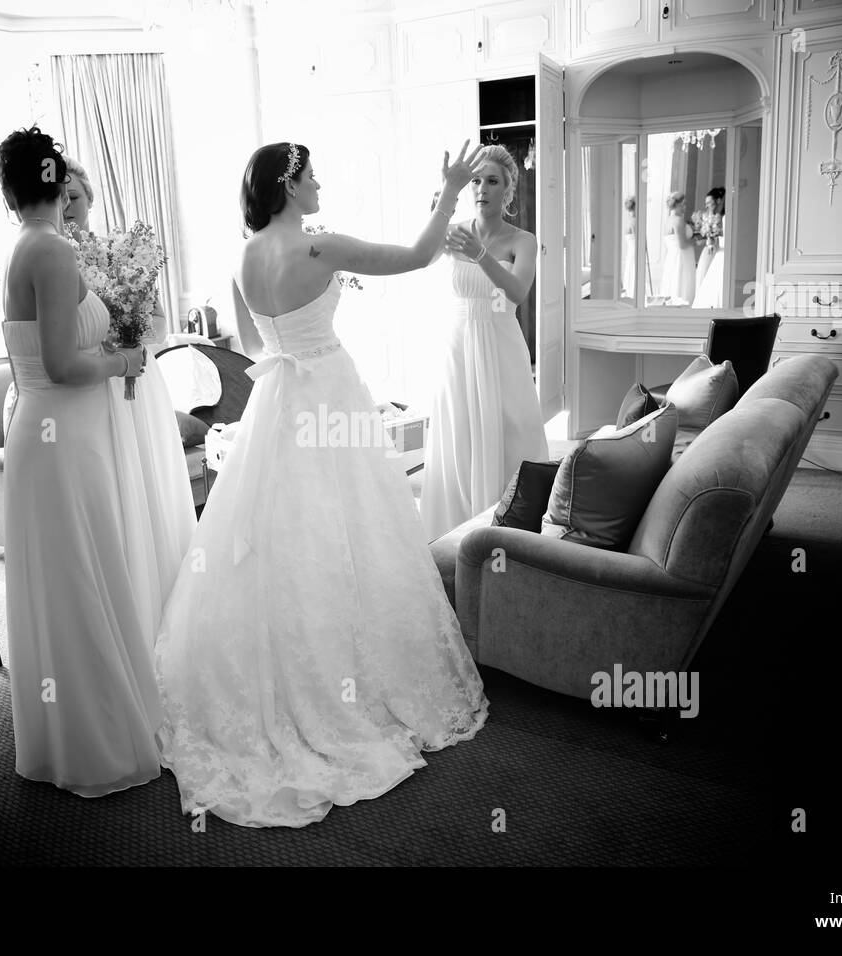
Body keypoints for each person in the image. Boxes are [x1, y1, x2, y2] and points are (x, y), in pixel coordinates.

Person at [155, 140, 489, 828]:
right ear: (288, 184)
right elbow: (419, 257)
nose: (320, 186)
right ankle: (348, 690)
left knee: (280, 535)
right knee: (352, 530)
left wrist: (293, 353)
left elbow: (252, 348)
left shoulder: (244, 257)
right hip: (329, 392)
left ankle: (270, 677)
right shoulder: (317, 247)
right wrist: (451, 190)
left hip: (276, 404)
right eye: (311, 176)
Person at [0, 126, 160, 796]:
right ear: (57, 182)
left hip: (48, 436)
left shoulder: (25, 248)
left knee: (69, 577)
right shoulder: (53, 253)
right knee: (82, 575)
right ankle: (98, 747)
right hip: (61, 437)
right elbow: (63, 366)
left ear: (9, 191)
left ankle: (69, 738)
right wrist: (124, 359)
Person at [62, 155, 195, 622]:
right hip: (96, 388)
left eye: (73, 196)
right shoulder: (51, 262)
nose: (66, 205)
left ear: (90, 200)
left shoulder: (123, 253)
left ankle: (172, 603)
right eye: (57, 197)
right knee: (114, 494)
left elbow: (160, 324)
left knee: (151, 480)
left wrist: (130, 331)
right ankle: (128, 611)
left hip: (140, 382)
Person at [420, 144, 549, 540]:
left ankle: (511, 531)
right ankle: (456, 534)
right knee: (459, 435)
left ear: (508, 189)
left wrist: (481, 256)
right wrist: (445, 193)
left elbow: (517, 292)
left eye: (492, 181)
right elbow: (420, 257)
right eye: (476, 180)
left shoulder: (522, 240)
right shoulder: (453, 232)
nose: (482, 188)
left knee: (511, 430)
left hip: (501, 344)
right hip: (458, 347)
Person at [658, 191, 696, 305]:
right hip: (681, 259)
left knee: (673, 283)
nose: (685, 206)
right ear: (678, 204)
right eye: (684, 204)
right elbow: (682, 244)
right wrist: (696, 240)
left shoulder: (668, 220)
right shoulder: (678, 220)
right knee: (681, 284)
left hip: (672, 258)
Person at [691, 187, 726, 309]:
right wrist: (705, 235)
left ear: (717, 201)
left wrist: (713, 233)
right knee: (702, 273)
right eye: (705, 203)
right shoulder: (705, 217)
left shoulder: (721, 217)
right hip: (709, 249)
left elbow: (722, 234)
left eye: (709, 203)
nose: (706, 206)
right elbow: (701, 235)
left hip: (719, 249)